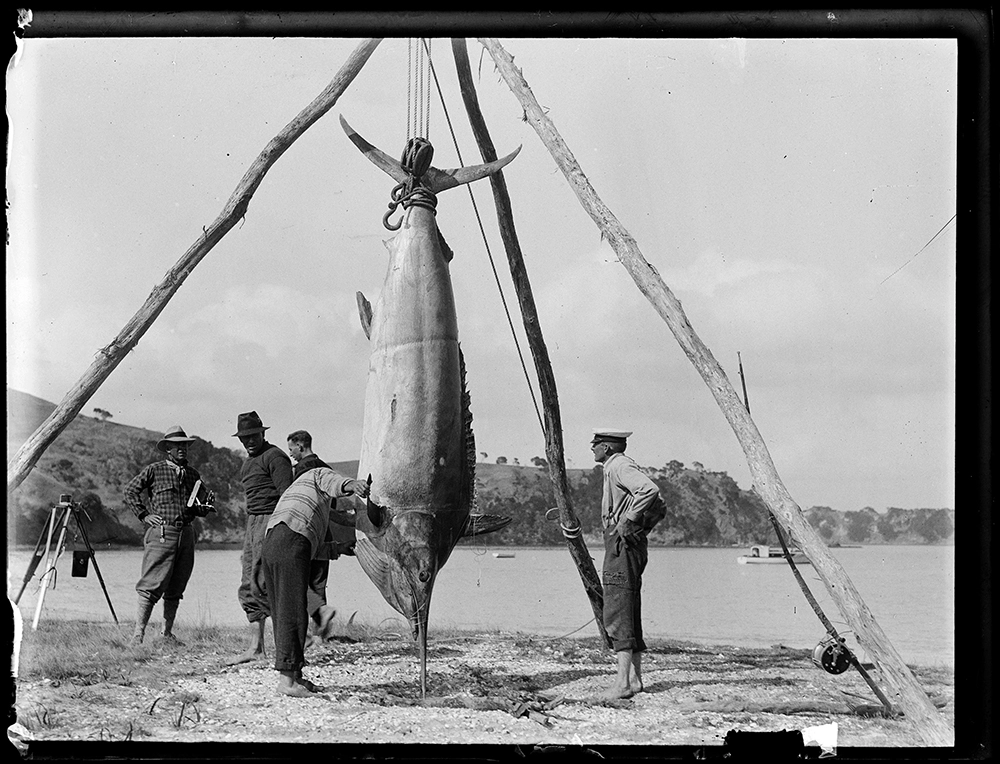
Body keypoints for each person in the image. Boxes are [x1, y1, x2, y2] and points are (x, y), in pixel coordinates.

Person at [261, 466, 369, 697]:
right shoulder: (317, 474)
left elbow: (307, 545)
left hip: (273, 542)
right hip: (289, 542)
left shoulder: (304, 505)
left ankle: (295, 675)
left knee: (285, 611)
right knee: (293, 612)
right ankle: (287, 683)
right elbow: (335, 483)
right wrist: (354, 486)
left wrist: (339, 548)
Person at [592, 428, 665, 699]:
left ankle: (622, 683)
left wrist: (628, 519)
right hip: (625, 542)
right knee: (628, 607)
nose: (592, 447)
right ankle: (634, 681)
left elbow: (649, 489)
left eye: (596, 444)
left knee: (618, 608)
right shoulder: (616, 466)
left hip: (622, 542)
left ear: (607, 448)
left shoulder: (619, 465)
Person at [123, 425, 214, 646]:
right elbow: (130, 490)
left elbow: (196, 508)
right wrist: (144, 515)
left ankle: (167, 633)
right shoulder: (154, 469)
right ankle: (138, 635)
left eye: (184, 445)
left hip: (186, 534)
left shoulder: (193, 475)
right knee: (151, 583)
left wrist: (206, 506)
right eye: (177, 446)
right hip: (162, 533)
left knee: (177, 585)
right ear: (168, 449)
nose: (182, 449)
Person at [228, 411, 294, 665]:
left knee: (268, 583)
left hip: (272, 520)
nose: (249, 441)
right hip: (253, 522)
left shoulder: (275, 457)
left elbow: (287, 496)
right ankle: (256, 647)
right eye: (244, 438)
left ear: (263, 433)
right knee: (248, 582)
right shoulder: (249, 462)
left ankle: (286, 650)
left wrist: (278, 529)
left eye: (253, 435)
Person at [286, 429, 358, 641]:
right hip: (323, 530)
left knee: (300, 580)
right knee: (318, 582)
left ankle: (309, 633)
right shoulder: (325, 468)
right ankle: (320, 633)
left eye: (291, 449)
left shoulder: (302, 470)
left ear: (300, 446)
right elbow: (332, 505)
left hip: (306, 530)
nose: (290, 454)